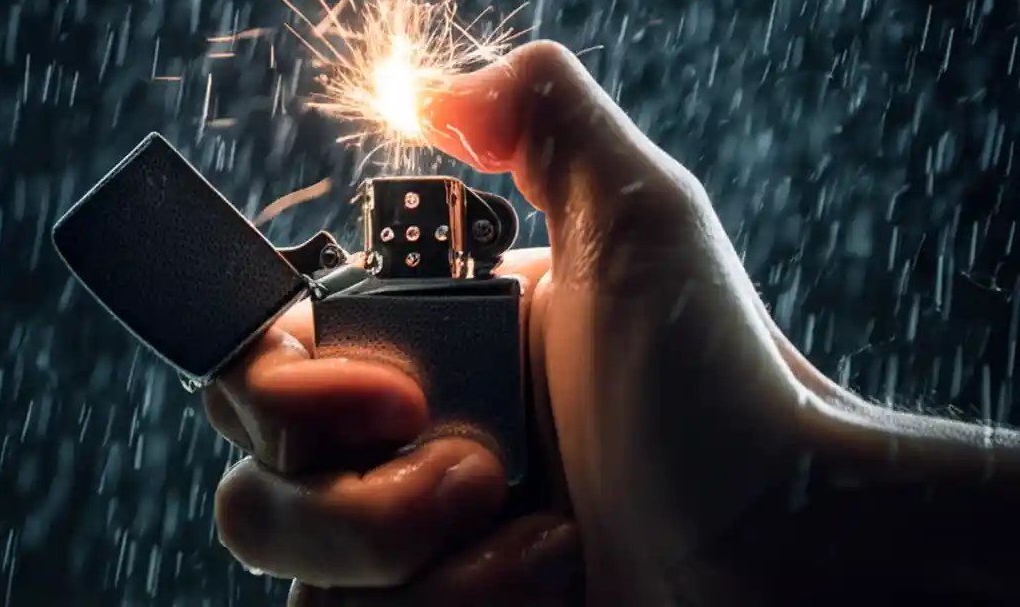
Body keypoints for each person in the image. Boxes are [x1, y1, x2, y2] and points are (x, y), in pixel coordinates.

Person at [199, 41, 1020, 606]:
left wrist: (772, 520)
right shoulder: (462, 297)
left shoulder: (536, 295)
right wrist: (785, 520)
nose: (405, 222)